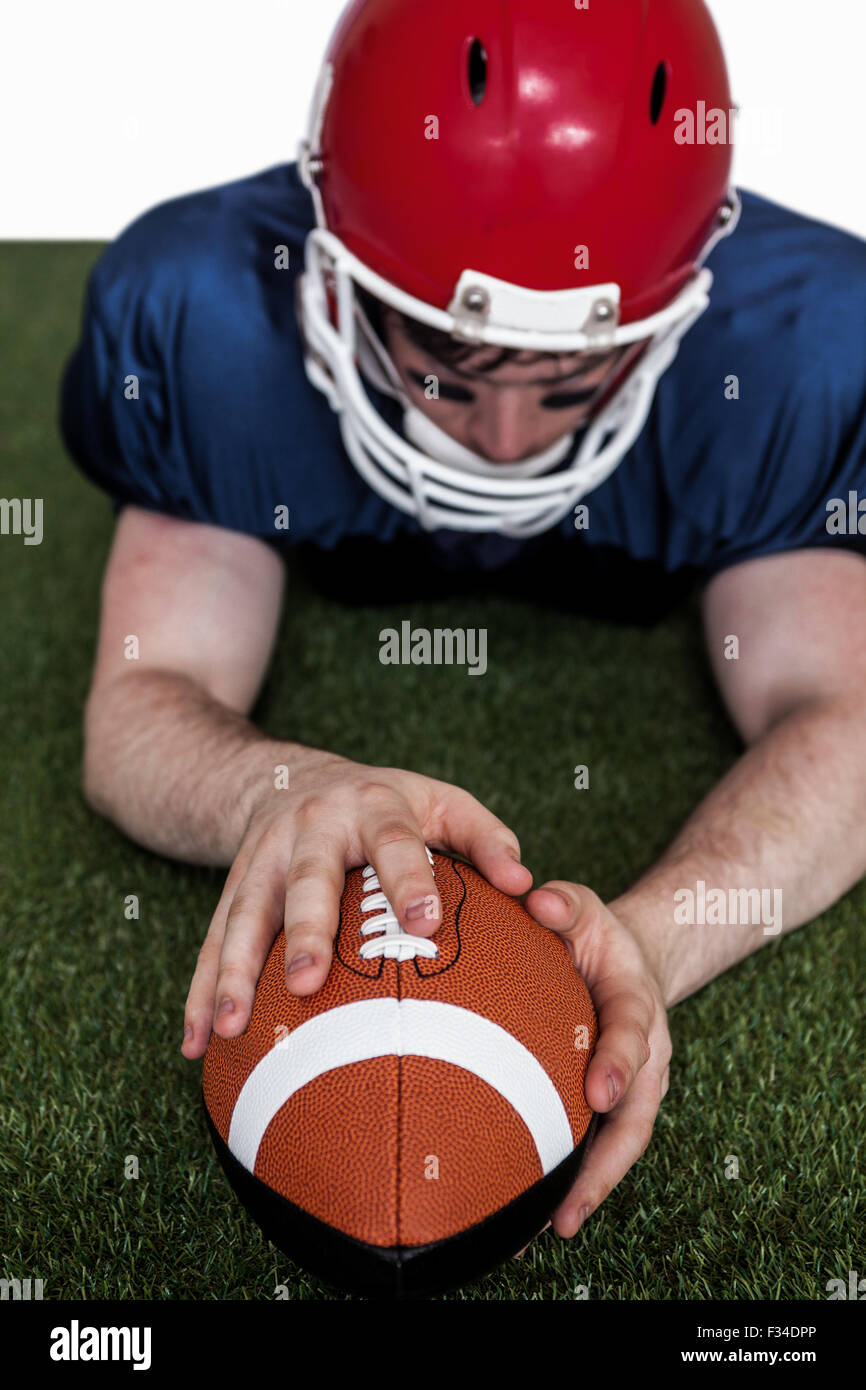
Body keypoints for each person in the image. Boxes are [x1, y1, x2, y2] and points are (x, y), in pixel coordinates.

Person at [60, 0, 866, 1247]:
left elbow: (843, 718)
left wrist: (644, 945)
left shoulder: (792, 349)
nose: (498, 442)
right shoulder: (208, 308)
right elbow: (143, 693)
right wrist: (280, 787)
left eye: (566, 377)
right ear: (331, 259)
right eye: (443, 358)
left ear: (675, 307)